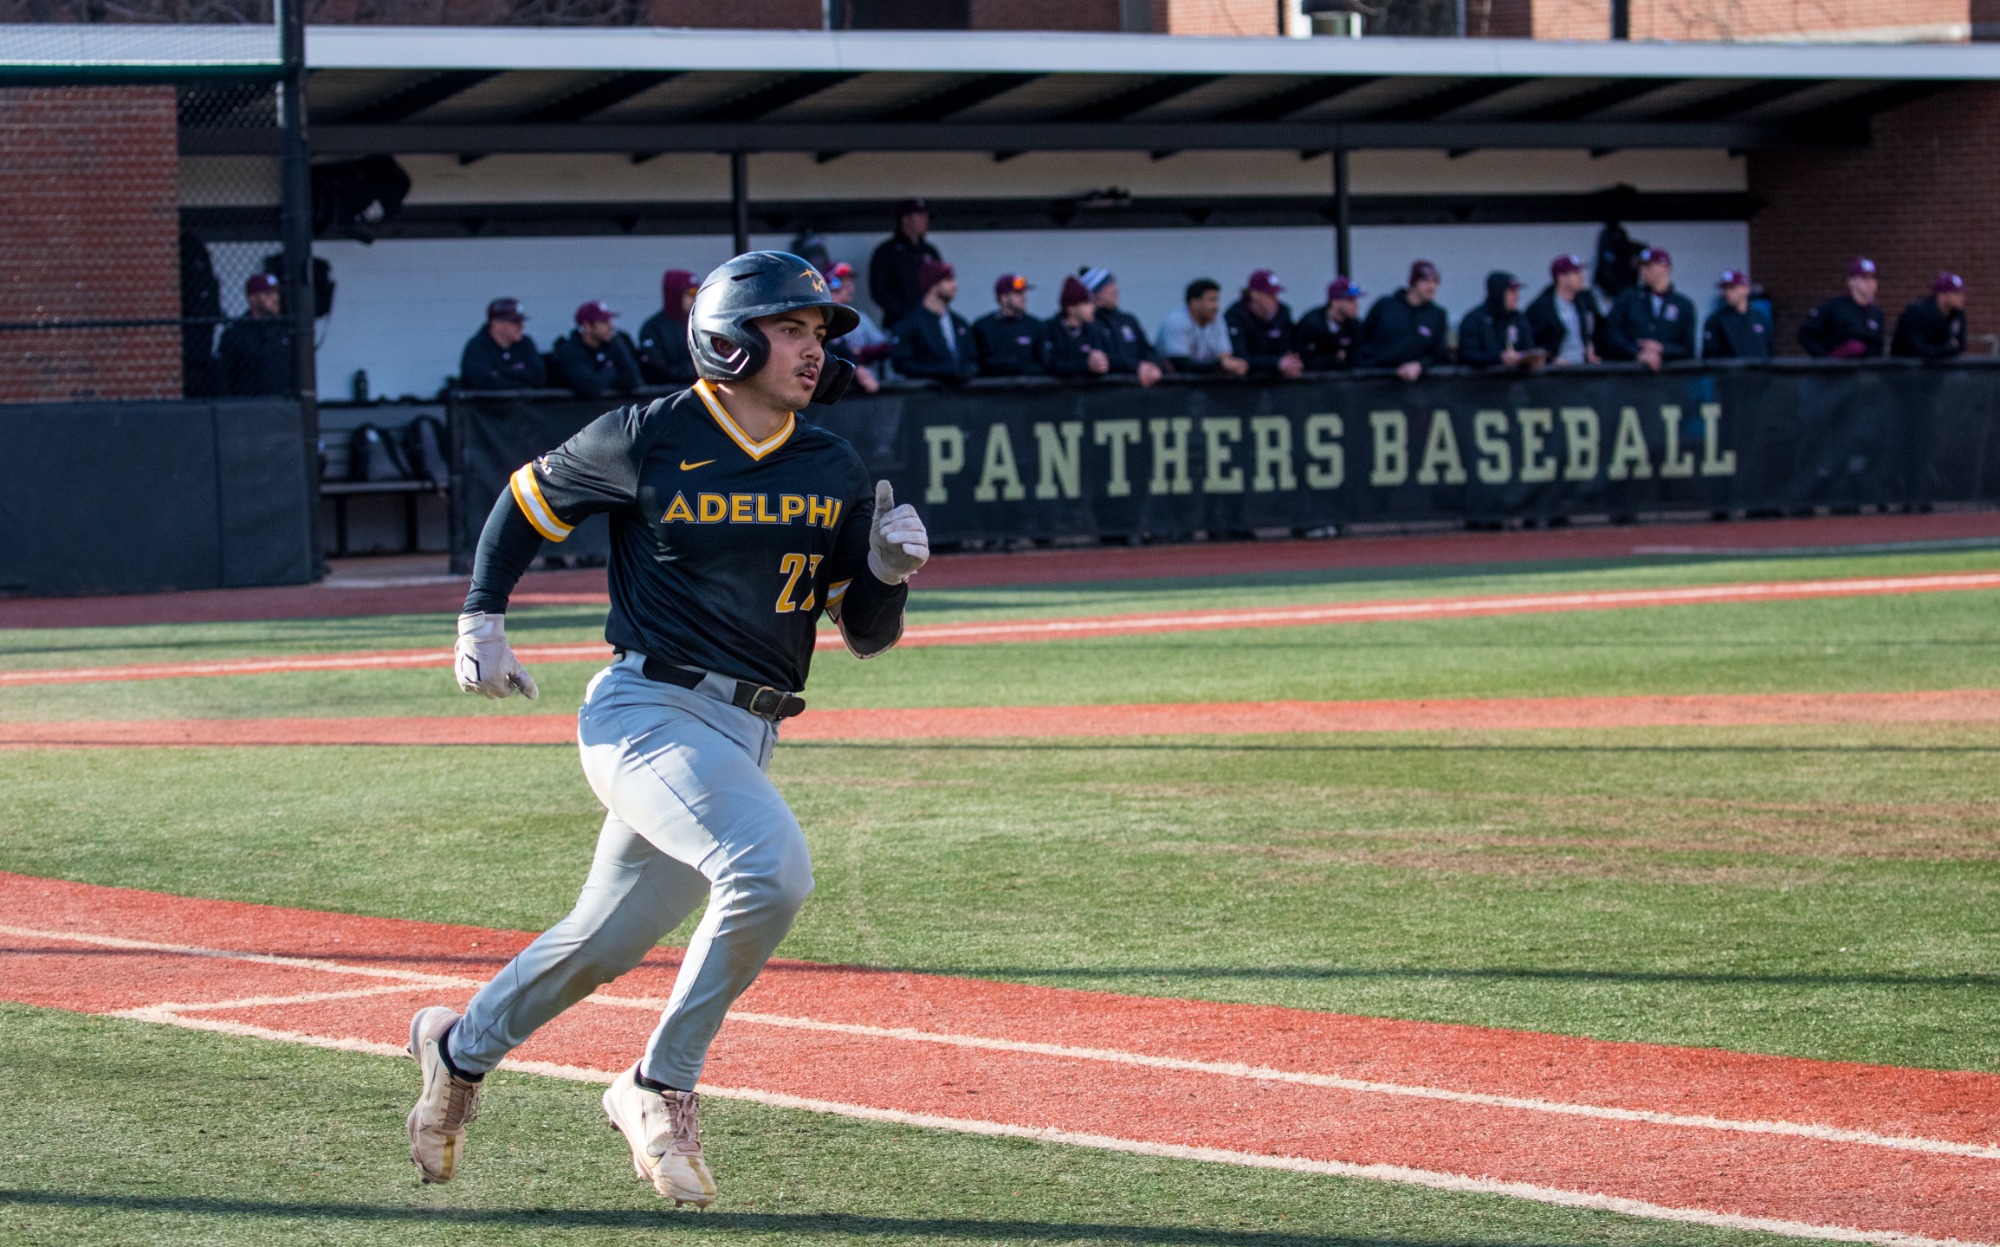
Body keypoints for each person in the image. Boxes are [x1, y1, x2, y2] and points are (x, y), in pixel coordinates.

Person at [405, 251, 928, 1210]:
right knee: (771, 870)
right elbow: (525, 503)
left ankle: (456, 1049)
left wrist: (889, 576)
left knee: (596, 943)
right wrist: (482, 613)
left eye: (819, 334)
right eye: (791, 328)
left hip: (747, 733)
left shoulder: (833, 462)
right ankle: (657, 1085)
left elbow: (862, 634)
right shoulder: (648, 433)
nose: (811, 350)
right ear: (729, 338)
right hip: (644, 709)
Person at [1600, 247, 1697, 371]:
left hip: (1670, 379)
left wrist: (1662, 349)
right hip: (1630, 375)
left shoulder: (1684, 305)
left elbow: (1688, 349)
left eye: (1648, 266)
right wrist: (1637, 353)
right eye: (1641, 266)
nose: (1643, 270)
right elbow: (1611, 333)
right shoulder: (1628, 297)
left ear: (1665, 268)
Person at [1358, 260, 1449, 380]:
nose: (1431, 286)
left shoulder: (1437, 315)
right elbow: (1362, 337)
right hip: (1375, 379)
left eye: (1435, 282)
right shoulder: (1385, 306)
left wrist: (1420, 365)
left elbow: (1438, 352)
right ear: (1413, 282)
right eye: (1426, 281)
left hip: (1416, 387)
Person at [889, 259, 976, 384]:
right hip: (925, 400)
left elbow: (972, 359)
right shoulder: (909, 324)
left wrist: (964, 372)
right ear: (933, 286)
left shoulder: (960, 323)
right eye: (948, 280)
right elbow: (902, 364)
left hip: (962, 400)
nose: (955, 285)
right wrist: (942, 372)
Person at [868, 198, 942, 329]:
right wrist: (907, 313)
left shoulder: (930, 252)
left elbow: (942, 283)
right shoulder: (886, 251)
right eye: (920, 216)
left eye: (926, 216)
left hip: (930, 323)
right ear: (905, 219)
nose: (925, 221)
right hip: (898, 324)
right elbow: (879, 291)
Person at [1080, 267, 1161, 387]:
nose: (1115, 290)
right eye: (1109, 287)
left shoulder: (1128, 320)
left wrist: (1151, 366)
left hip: (1137, 392)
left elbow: (1147, 349)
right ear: (1096, 294)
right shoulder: (1090, 323)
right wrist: (1136, 367)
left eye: (1114, 285)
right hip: (1105, 394)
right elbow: (1103, 358)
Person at [217, 273, 293, 397]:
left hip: (282, 404)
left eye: (276, 293)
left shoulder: (285, 329)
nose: (275, 298)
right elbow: (224, 375)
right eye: (268, 294)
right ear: (252, 298)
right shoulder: (236, 333)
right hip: (248, 405)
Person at [1155, 278, 1248, 376]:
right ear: (1194, 303)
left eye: (1217, 300)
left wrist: (1232, 365)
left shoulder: (1217, 320)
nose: (1216, 306)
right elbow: (1181, 364)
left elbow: (1225, 356)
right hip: (1172, 385)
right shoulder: (1176, 321)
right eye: (1211, 300)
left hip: (1203, 382)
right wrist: (1219, 364)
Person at [1798, 257, 1886, 360]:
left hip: (1864, 373)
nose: (1869, 283)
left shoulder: (1876, 314)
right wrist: (1825, 359)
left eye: (1873, 278)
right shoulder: (1834, 307)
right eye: (1864, 278)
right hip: (1836, 372)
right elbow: (1806, 334)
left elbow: (1878, 348)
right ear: (1851, 282)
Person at [823, 262, 891, 392]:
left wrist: (861, 353)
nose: (850, 288)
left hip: (867, 387)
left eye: (850, 283)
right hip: (835, 390)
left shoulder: (859, 319)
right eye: (844, 283)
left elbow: (887, 348)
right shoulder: (821, 320)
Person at [552, 301, 642, 399]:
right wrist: (610, 369)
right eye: (603, 322)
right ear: (587, 326)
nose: (610, 326)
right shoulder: (570, 350)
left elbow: (634, 379)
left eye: (610, 321)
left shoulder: (613, 343)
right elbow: (590, 386)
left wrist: (602, 377)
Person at [1525, 254, 1601, 366]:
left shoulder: (1584, 302)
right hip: (1555, 373)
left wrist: (1589, 349)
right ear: (1561, 277)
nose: (1581, 276)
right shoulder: (1543, 307)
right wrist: (1550, 360)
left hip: (1581, 369)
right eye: (1575, 273)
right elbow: (1530, 342)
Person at [1225, 269, 1303, 378]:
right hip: (1245, 384)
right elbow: (1239, 356)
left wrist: (1290, 360)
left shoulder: (1282, 312)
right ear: (1254, 294)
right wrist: (1276, 362)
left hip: (1277, 382)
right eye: (1270, 295)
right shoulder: (1236, 315)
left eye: (1276, 294)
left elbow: (1288, 344)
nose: (1275, 299)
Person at [1457, 271, 1542, 371]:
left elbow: (1528, 348)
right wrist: (1499, 358)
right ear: (1498, 293)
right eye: (1511, 291)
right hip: (1482, 382)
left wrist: (1533, 359)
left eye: (1517, 291)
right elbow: (1468, 355)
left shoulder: (1519, 319)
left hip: (1517, 383)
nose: (1516, 296)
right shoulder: (1474, 320)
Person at [459, 298, 546, 391]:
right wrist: (522, 381)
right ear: (496, 323)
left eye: (522, 321)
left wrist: (500, 371)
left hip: (525, 405)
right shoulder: (477, 347)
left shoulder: (526, 343)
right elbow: (482, 383)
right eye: (515, 321)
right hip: (487, 405)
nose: (522, 326)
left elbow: (539, 376)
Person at [970, 272, 1048, 376]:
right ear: (1003, 297)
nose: (1024, 297)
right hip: (992, 391)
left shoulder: (1035, 326)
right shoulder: (983, 327)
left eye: (1024, 293)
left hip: (1027, 391)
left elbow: (1044, 363)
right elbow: (977, 363)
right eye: (1018, 293)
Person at [637, 269, 699, 387]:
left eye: (697, 293)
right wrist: (694, 370)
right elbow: (660, 370)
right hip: (665, 397)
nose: (695, 299)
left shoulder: (699, 324)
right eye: (690, 293)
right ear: (675, 295)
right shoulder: (652, 328)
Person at [1045, 275, 1112, 378]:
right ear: (1071, 308)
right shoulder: (1050, 330)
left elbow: (1110, 357)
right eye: (1086, 303)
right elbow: (1050, 364)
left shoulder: (1094, 330)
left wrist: (1101, 363)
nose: (1093, 307)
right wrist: (1085, 365)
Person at [1894, 271, 1969, 360]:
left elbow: (1960, 345)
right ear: (1942, 295)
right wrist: (1945, 348)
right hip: (1907, 370)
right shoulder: (1917, 313)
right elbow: (1916, 349)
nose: (1963, 297)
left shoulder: (1957, 314)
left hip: (1942, 371)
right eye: (1957, 293)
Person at [1292, 277, 1363, 372]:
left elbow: (1358, 357)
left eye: (1355, 300)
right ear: (1335, 301)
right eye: (1350, 300)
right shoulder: (1311, 323)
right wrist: (1333, 359)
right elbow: (1302, 359)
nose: (1355, 305)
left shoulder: (1355, 325)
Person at [1702, 270, 1774, 360]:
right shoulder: (1716, 320)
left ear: (1745, 289)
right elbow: (1710, 355)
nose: (1727, 292)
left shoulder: (1759, 318)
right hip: (1729, 373)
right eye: (1724, 288)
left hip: (1757, 372)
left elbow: (1768, 349)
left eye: (1732, 288)